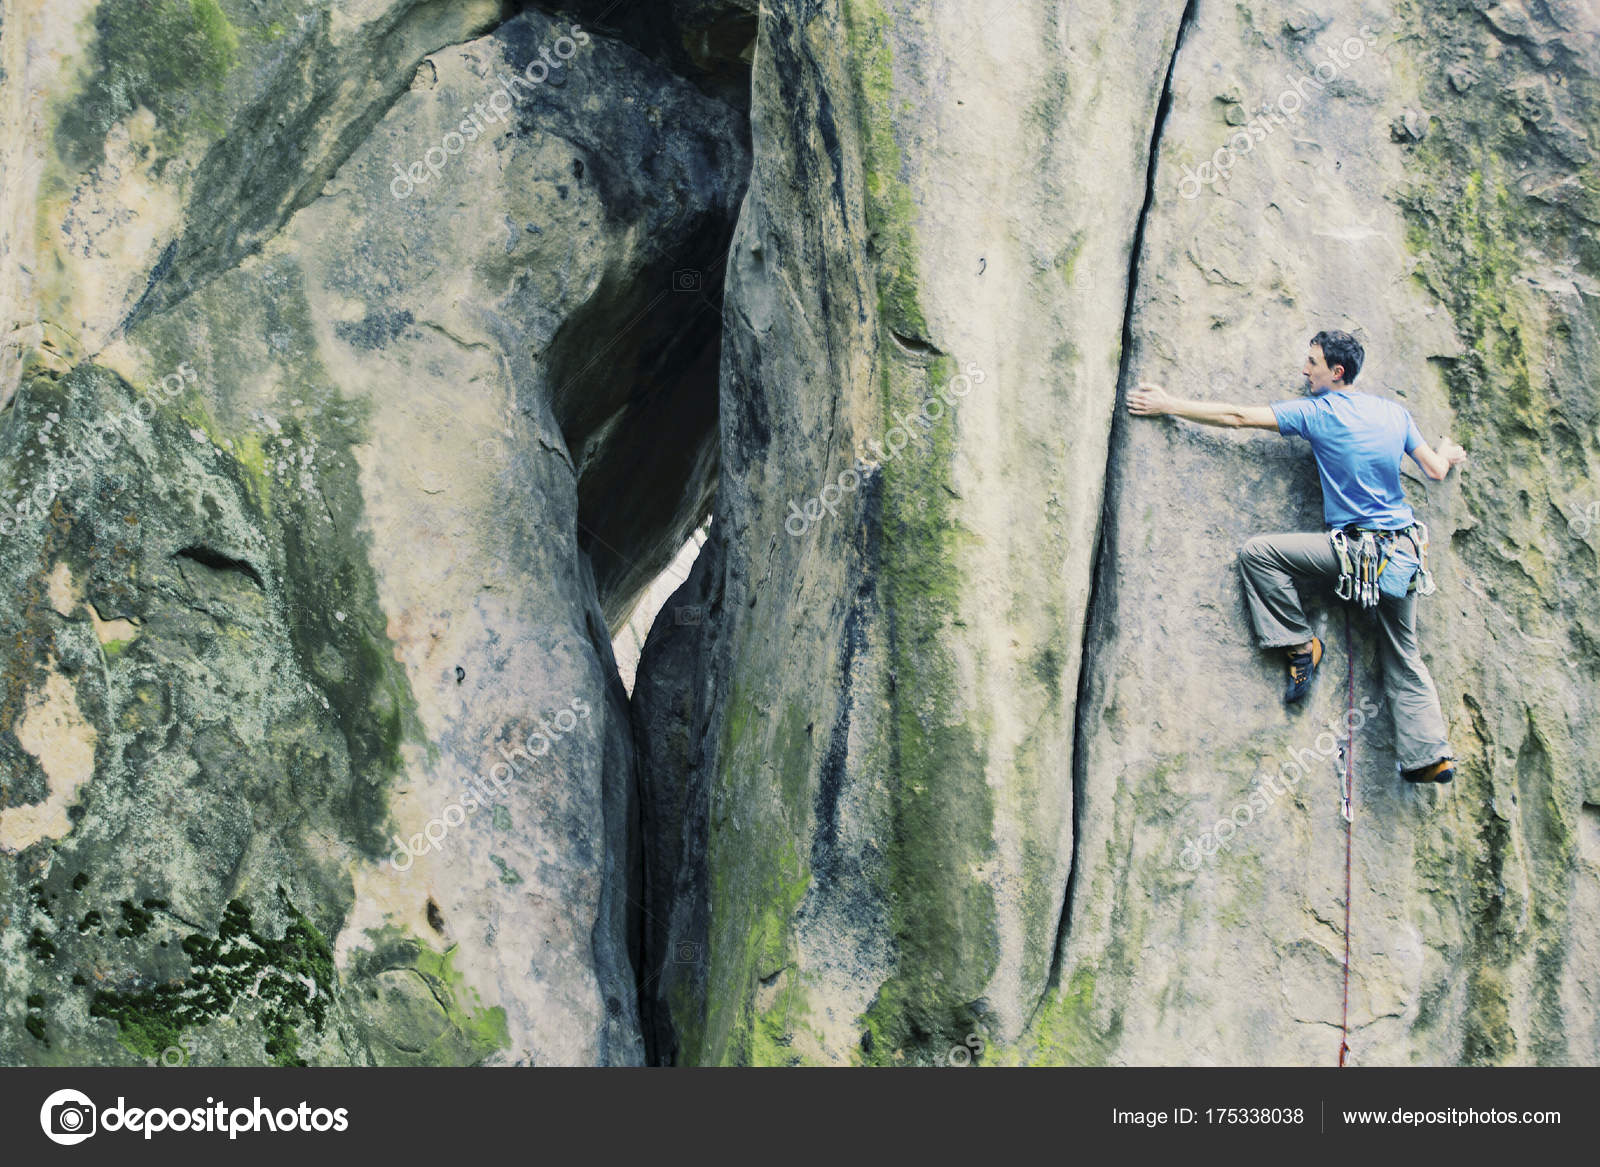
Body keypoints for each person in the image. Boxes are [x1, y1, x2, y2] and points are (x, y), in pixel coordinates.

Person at [1127, 330, 1467, 784]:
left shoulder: (1318, 412)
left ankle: (1300, 642)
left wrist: (1170, 404)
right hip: (1403, 555)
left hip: (1355, 554)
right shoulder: (1394, 413)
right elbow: (1434, 469)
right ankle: (1430, 756)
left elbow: (1237, 417)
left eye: (1313, 363)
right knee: (1404, 652)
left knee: (1259, 553)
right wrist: (1449, 451)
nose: (1305, 371)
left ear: (1336, 372)